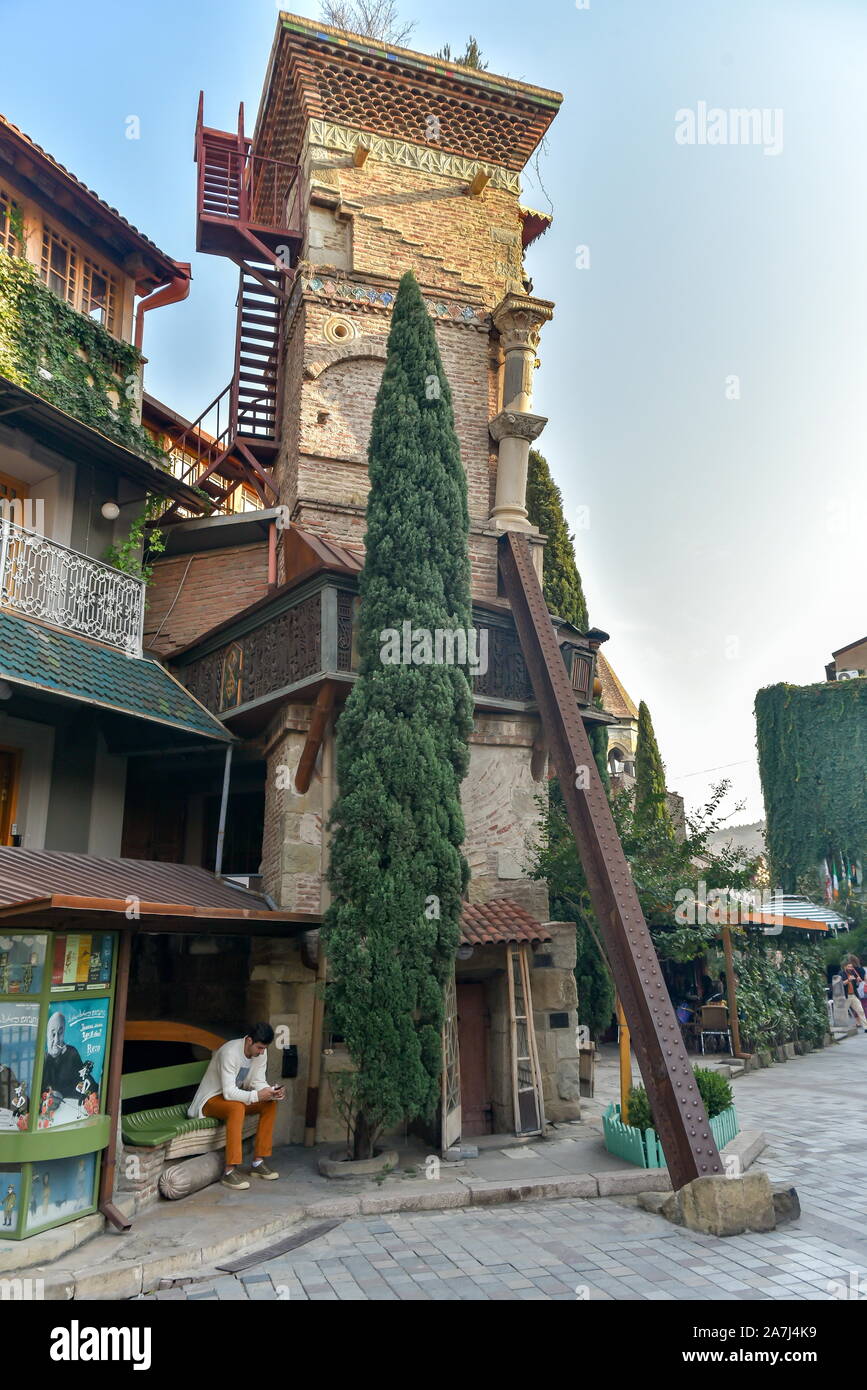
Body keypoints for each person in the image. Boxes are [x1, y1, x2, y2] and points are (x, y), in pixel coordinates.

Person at [188, 1022, 285, 1190]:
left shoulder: (261, 1053)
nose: (262, 1052)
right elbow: (229, 1093)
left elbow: (258, 1081)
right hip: (210, 1100)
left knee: (269, 1104)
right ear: (248, 1041)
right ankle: (229, 1171)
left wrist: (270, 1092)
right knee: (236, 1107)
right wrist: (256, 1095)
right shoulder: (229, 1052)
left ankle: (258, 1162)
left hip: (236, 1097)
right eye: (259, 1048)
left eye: (264, 1048)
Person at [42, 1012, 84, 1099]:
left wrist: (62, 1095)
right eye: (53, 1034)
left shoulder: (72, 1053)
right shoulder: (42, 1059)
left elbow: (83, 1085)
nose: (56, 1040)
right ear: (46, 1035)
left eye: (60, 1033)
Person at [841, 956, 867, 1032]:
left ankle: (866, 1027)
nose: (851, 968)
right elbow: (840, 984)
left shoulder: (852, 974)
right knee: (844, 1012)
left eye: (851, 967)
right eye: (849, 967)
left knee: (860, 1010)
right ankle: (844, 1028)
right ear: (845, 967)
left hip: (853, 995)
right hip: (846, 996)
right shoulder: (841, 974)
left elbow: (855, 986)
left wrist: (857, 981)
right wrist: (848, 980)